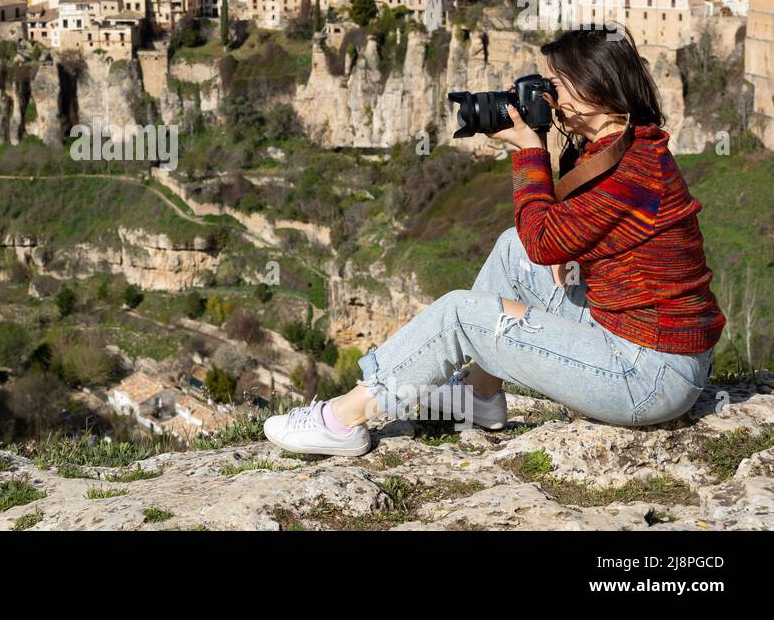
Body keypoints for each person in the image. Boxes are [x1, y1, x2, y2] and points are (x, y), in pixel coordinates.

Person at [264, 27, 725, 456]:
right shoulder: (627, 143)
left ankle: (345, 421)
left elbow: (546, 240)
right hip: (644, 344)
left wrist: (528, 149)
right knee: (513, 249)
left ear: (594, 90)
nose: (549, 97)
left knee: (460, 313)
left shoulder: (629, 171)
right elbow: (552, 239)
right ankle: (482, 396)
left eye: (556, 85)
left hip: (650, 376)